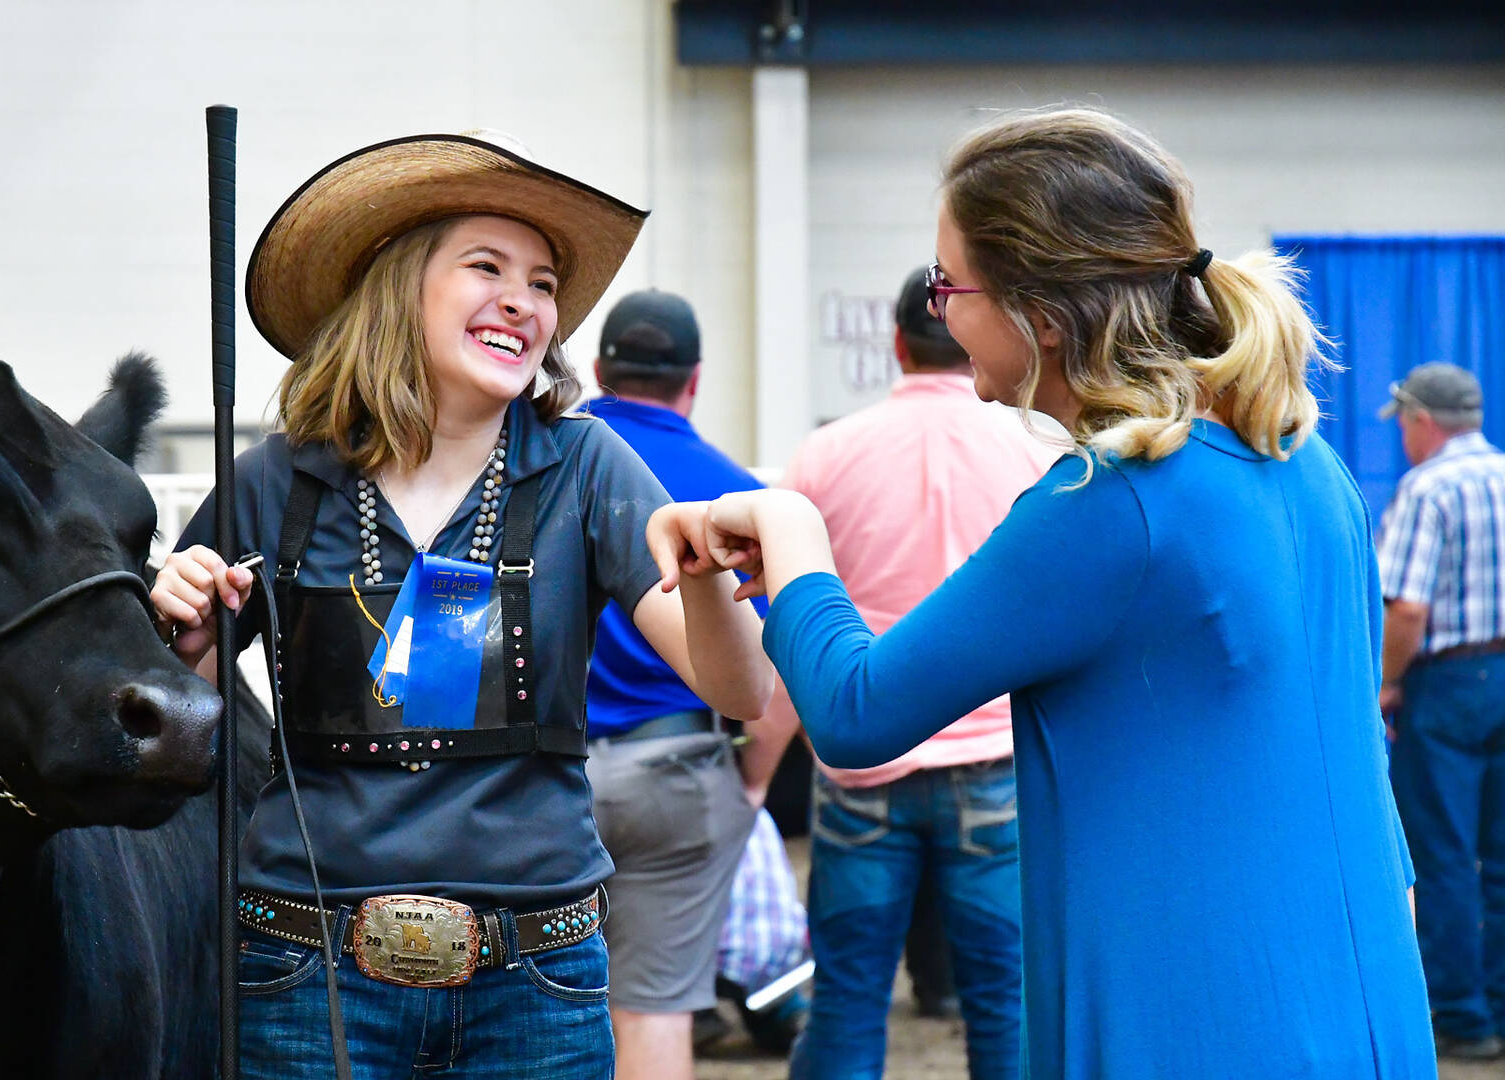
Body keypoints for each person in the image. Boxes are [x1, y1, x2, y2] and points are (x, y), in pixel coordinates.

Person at [644, 107, 1436, 1077]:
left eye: (949, 285)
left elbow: (855, 712)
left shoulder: (1110, 504)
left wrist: (792, 528)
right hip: (1357, 1004)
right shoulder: (1305, 461)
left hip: (1193, 1021)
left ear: (1044, 316)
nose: (940, 312)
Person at [150, 132, 773, 1079]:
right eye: (487, 267)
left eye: (543, 283)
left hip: (535, 983)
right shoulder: (275, 481)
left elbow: (742, 688)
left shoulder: (587, 466)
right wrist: (184, 638)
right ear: (399, 288)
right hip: (307, 976)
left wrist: (704, 578)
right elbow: (169, 735)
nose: (524, 301)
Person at [761, 267, 1055, 1079]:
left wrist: (758, 771)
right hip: (994, 765)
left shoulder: (823, 456)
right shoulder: (1036, 450)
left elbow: (792, 626)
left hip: (862, 765)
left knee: (847, 998)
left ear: (896, 344)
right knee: (1006, 1003)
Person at [580, 288, 762, 1079]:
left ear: (597, 369)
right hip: (677, 774)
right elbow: (776, 672)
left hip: (541, 782)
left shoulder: (548, 463)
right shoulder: (733, 491)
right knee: (654, 1006)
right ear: (694, 380)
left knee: (526, 1004)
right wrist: (754, 782)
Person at [1376, 361, 1505, 1061]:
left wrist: (1385, 683)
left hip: (1448, 683)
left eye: (1402, 420)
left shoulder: (1428, 487)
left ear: (1422, 419)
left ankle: (1462, 1017)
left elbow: (1406, 607)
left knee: (1446, 853)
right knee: (1501, 853)